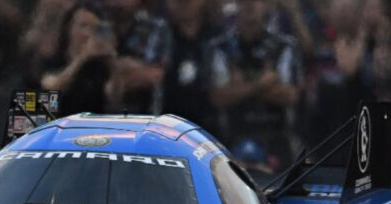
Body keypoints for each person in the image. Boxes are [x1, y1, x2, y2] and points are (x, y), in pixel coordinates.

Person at [210, 0, 303, 172]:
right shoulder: (221, 47)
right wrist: (262, 85)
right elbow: (218, 97)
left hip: (276, 139)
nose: (250, 4)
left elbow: (290, 95)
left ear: (267, 5)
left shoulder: (284, 46)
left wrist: (239, 88)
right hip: (232, 138)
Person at [41, 1, 121, 116]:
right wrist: (82, 58)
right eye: (83, 26)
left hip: (90, 127)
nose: (88, 33)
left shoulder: (99, 64)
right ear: (69, 28)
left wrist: (113, 62)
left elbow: (114, 97)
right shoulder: (53, 57)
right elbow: (52, 88)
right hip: (56, 123)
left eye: (94, 28)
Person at [159, 0, 221, 129]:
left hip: (210, 125)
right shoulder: (159, 35)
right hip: (166, 124)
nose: (184, 3)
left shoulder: (218, 38)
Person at [105, 0, 170, 114]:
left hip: (143, 116)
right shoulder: (94, 23)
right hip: (96, 117)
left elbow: (155, 76)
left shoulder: (155, 27)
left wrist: (113, 68)